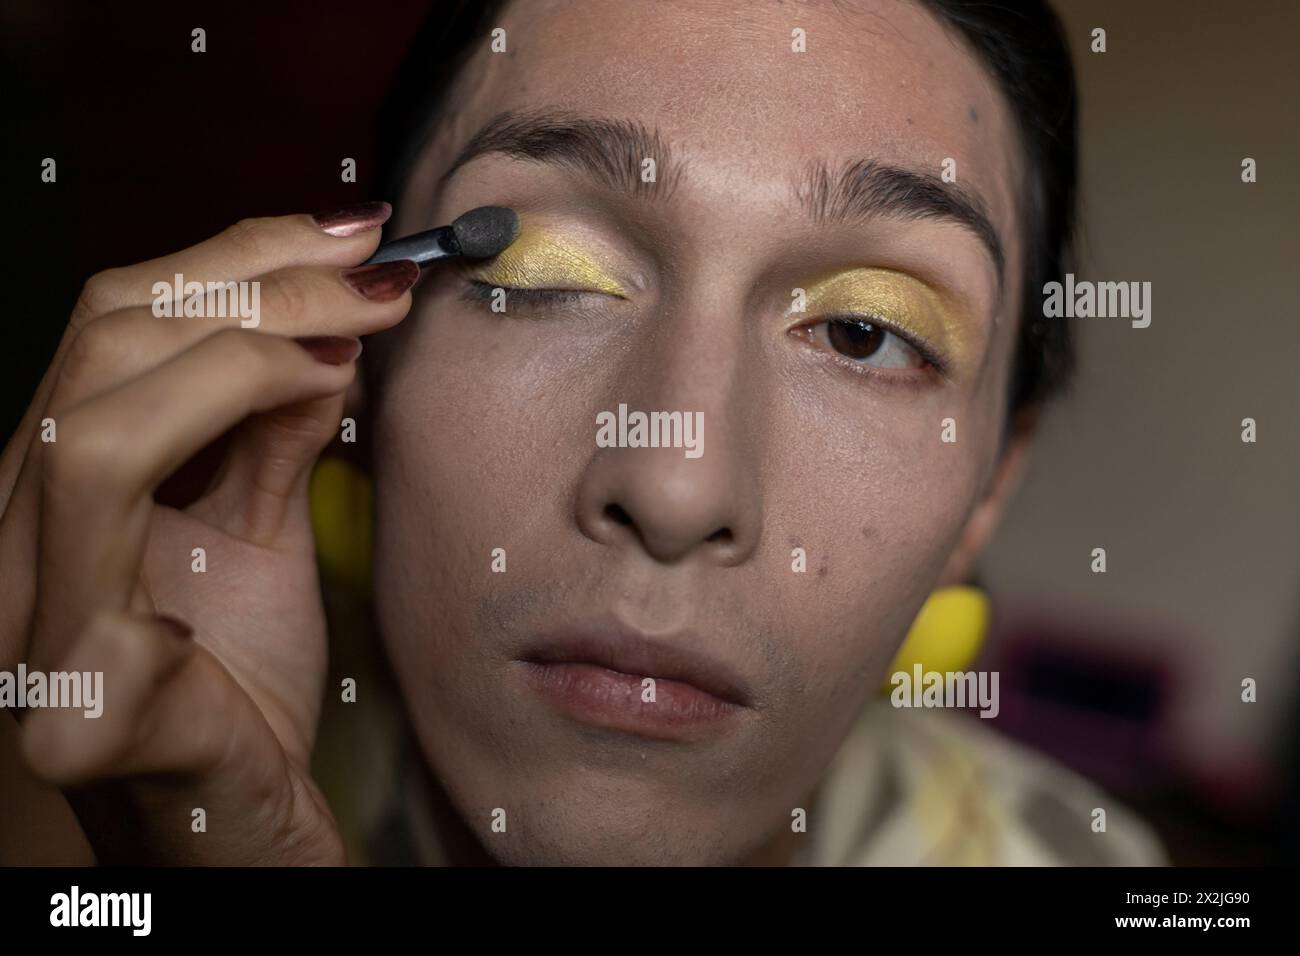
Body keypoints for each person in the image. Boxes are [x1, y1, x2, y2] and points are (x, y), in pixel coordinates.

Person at [0, 0, 1165, 865]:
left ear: (989, 489)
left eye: (864, 332)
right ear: (363, 356)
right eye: (536, 274)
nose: (673, 478)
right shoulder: (74, 808)